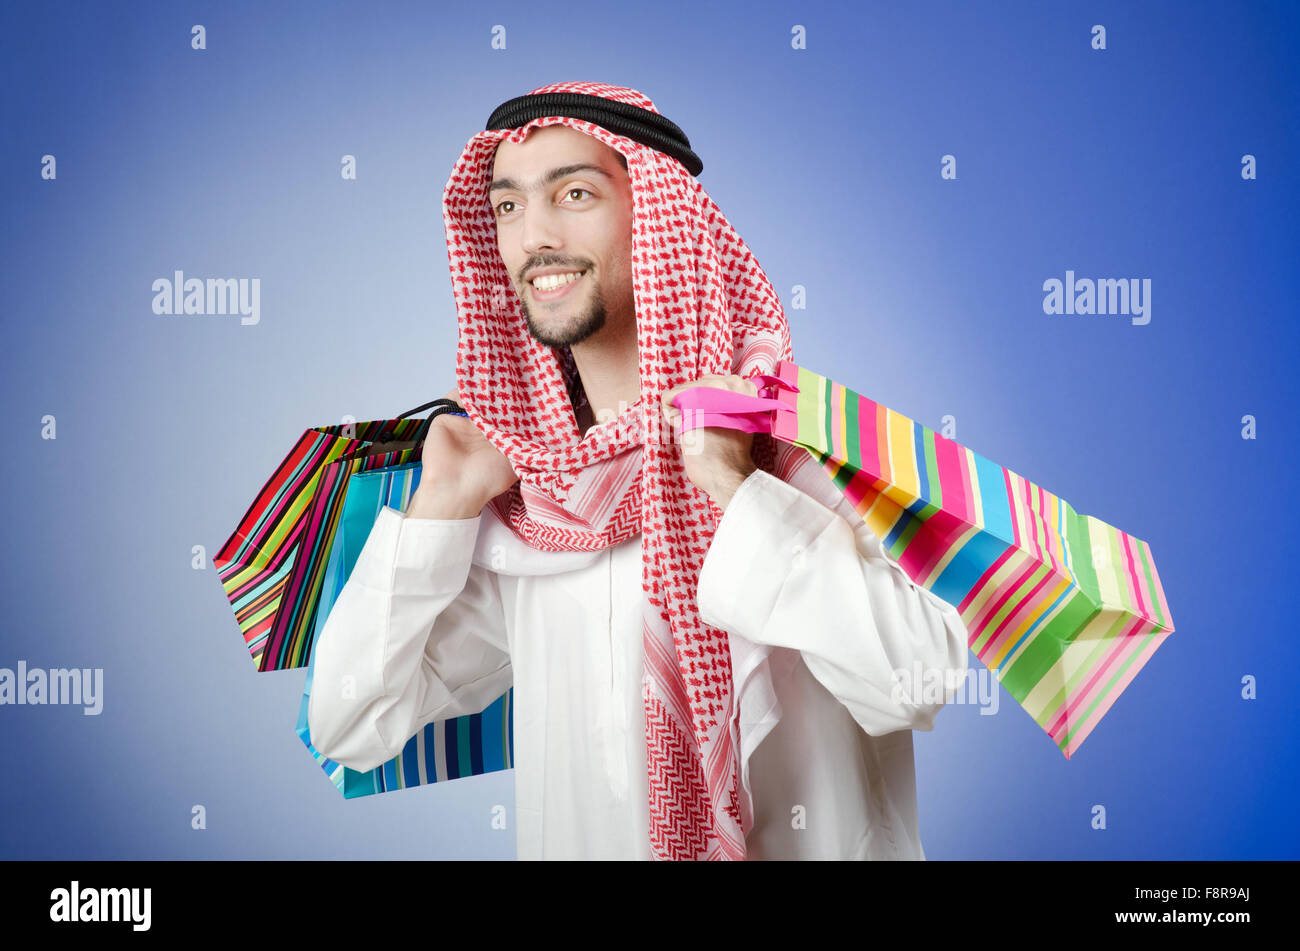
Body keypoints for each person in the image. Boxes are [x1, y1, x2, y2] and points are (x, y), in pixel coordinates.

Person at [308, 81, 970, 860]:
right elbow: (350, 724)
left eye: (575, 193)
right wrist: (441, 503)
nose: (534, 237)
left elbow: (917, 679)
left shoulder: (799, 446)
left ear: (660, 223)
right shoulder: (535, 507)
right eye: (509, 206)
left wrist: (735, 486)